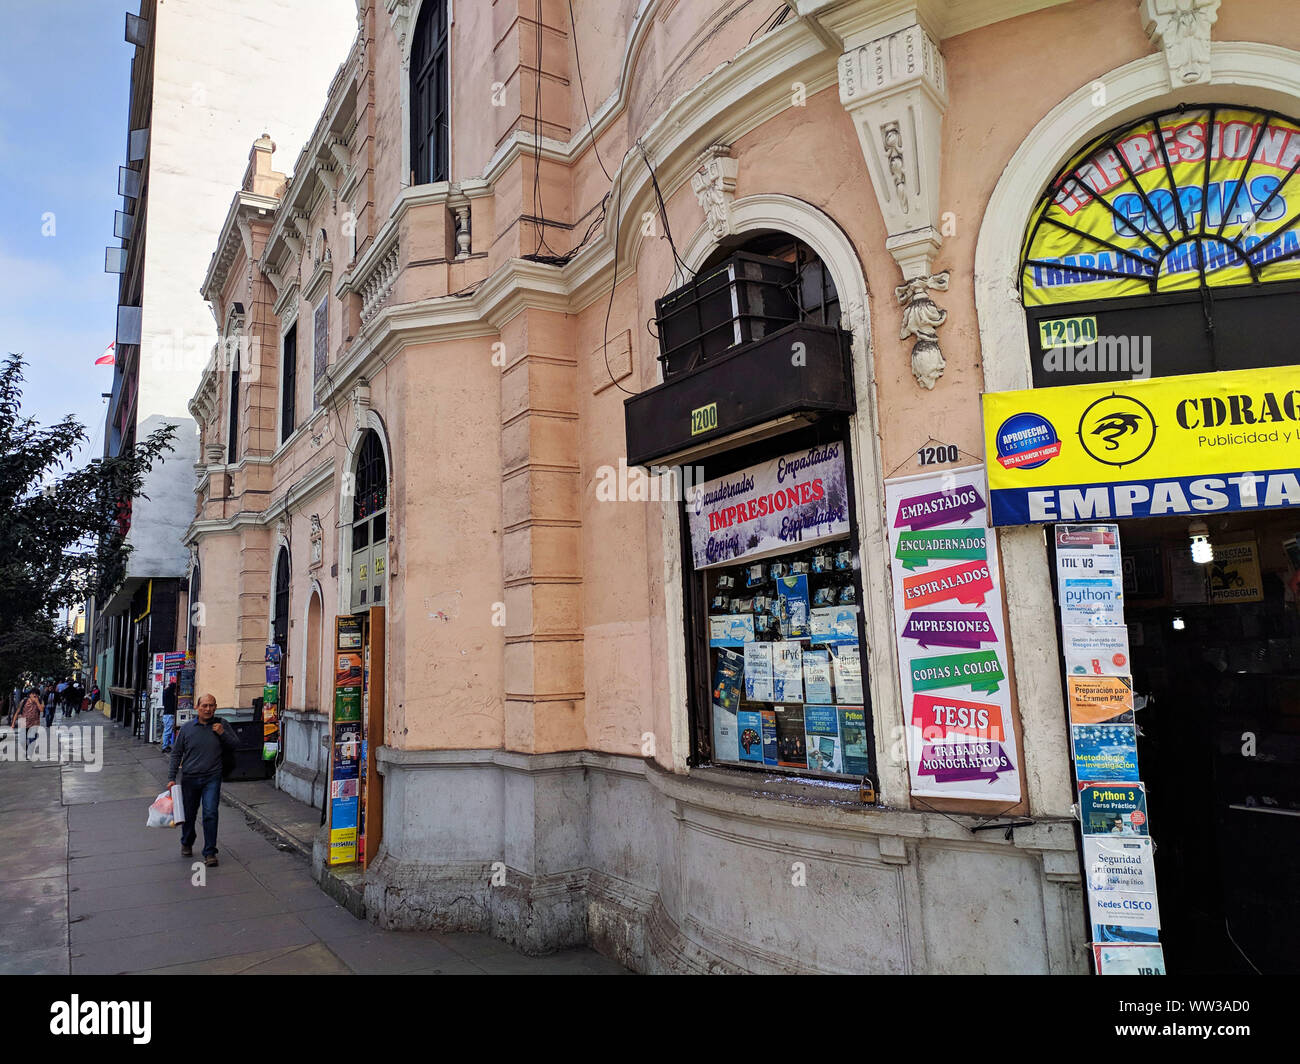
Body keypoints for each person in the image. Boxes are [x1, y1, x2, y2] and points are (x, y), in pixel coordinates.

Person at [166, 693, 238, 867]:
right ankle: (187, 841)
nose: (208, 709)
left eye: (211, 705)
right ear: (197, 708)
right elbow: (176, 753)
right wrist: (171, 777)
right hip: (190, 778)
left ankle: (210, 852)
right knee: (189, 815)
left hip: (212, 778)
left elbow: (236, 744)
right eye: (204, 705)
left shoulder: (222, 725)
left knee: (210, 813)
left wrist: (222, 734)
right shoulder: (187, 728)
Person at [161, 678, 178, 752]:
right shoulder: (171, 696)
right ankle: (165, 746)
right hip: (169, 714)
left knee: (167, 730)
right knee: (168, 731)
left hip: (166, 714)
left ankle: (165, 745)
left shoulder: (166, 693)